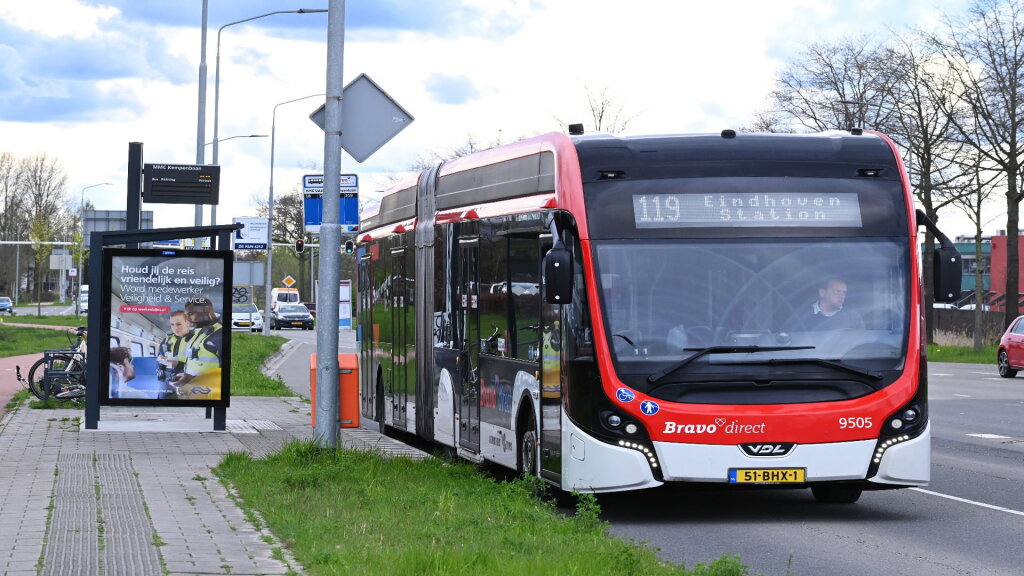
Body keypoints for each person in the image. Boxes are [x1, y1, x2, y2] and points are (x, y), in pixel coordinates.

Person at [172, 297, 224, 399]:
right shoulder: (197, 333)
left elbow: (225, 373)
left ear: (206, 311)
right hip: (194, 392)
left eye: (190, 314)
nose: (187, 318)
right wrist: (186, 376)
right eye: (186, 315)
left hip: (210, 394)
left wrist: (194, 378)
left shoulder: (219, 334)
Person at [792, 277, 864, 331]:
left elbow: (860, 345)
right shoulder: (802, 315)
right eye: (837, 292)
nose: (842, 296)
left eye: (844, 292)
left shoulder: (852, 316)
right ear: (822, 293)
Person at [157, 310, 192, 385]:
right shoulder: (167, 339)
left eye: (178, 324)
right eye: (172, 324)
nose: (175, 328)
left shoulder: (197, 339)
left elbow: (201, 363)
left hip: (187, 380)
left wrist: (178, 365)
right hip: (167, 380)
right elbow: (159, 357)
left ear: (187, 322)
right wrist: (161, 363)